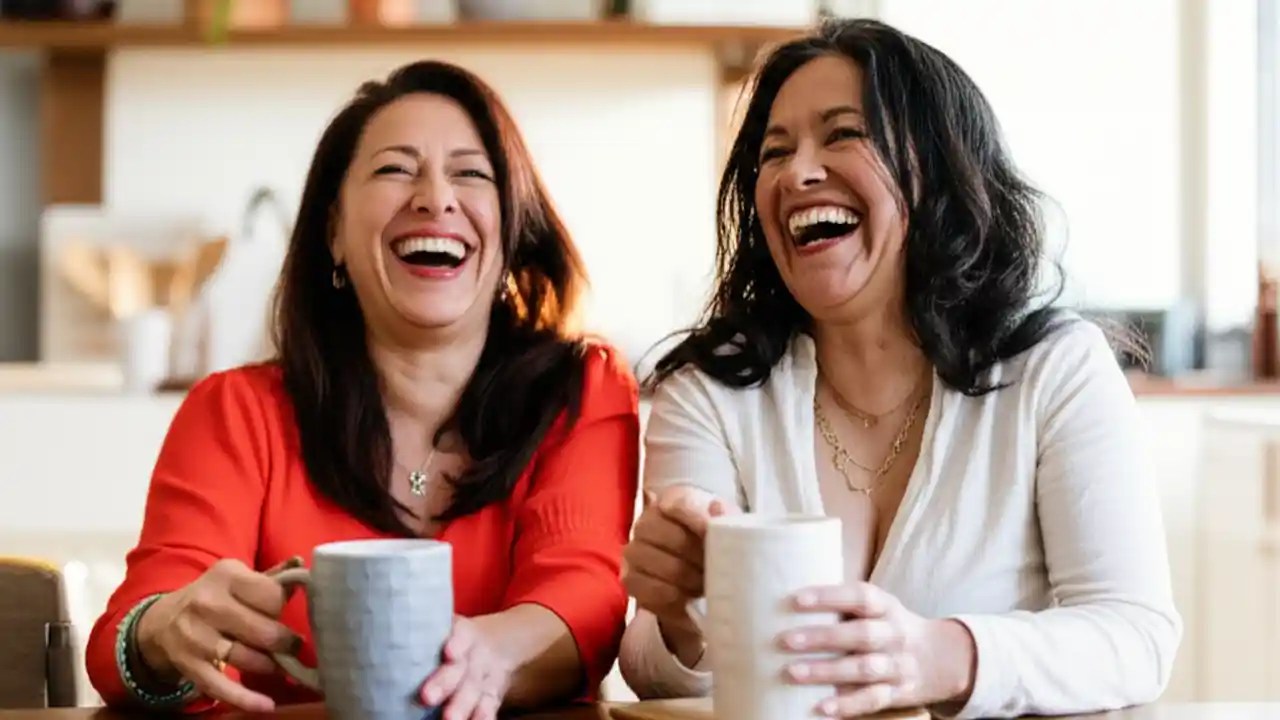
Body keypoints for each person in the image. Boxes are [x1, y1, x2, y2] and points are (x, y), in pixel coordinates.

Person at [617, 17, 1181, 720]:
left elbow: (1135, 637)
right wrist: (679, 615)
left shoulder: (1053, 370)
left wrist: (939, 656)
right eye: (774, 151)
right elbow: (653, 666)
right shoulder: (708, 390)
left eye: (844, 133)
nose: (798, 172)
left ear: (938, 168)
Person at [84, 60, 640, 720]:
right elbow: (129, 637)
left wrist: (484, 661)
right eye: (394, 169)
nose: (436, 198)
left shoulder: (582, 391)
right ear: (333, 234)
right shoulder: (235, 411)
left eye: (471, 172)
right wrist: (160, 631)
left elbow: (584, 593)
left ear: (514, 233)